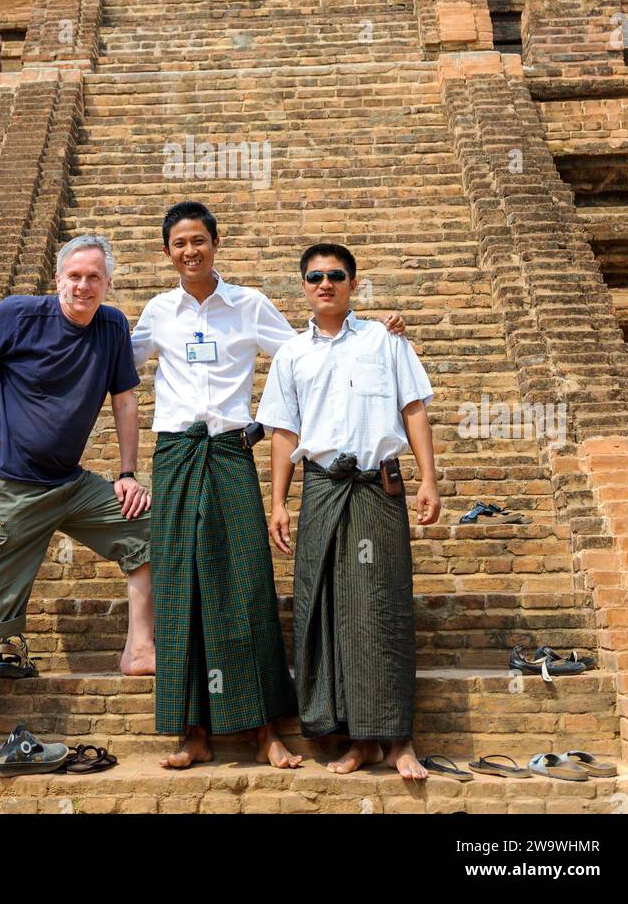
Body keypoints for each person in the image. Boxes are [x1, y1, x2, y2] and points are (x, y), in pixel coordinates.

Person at [131, 201, 407, 771]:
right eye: (179, 243)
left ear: (215, 243)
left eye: (199, 240)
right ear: (167, 252)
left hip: (232, 451)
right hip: (177, 452)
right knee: (180, 585)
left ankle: (265, 733)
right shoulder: (158, 313)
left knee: (247, 583)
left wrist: (382, 331)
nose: (190, 251)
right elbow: (114, 366)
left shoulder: (248, 305)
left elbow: (307, 356)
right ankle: (192, 732)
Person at [0, 234, 154, 776]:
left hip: (70, 484)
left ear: (107, 283)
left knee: (149, 526)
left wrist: (127, 473)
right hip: (8, 485)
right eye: (74, 276)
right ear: (58, 279)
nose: (83, 286)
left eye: (94, 277)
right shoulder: (21, 315)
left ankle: (139, 650)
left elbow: (124, 400)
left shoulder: (112, 327)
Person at [257, 242, 441, 781]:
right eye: (315, 276)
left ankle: (398, 739)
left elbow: (413, 408)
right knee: (326, 609)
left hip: (376, 486)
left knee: (381, 607)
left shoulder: (386, 340)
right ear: (304, 286)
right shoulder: (293, 354)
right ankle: (353, 738)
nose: (325, 283)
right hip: (321, 488)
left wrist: (428, 478)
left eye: (336, 275)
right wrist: (278, 503)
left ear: (353, 284)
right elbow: (284, 433)